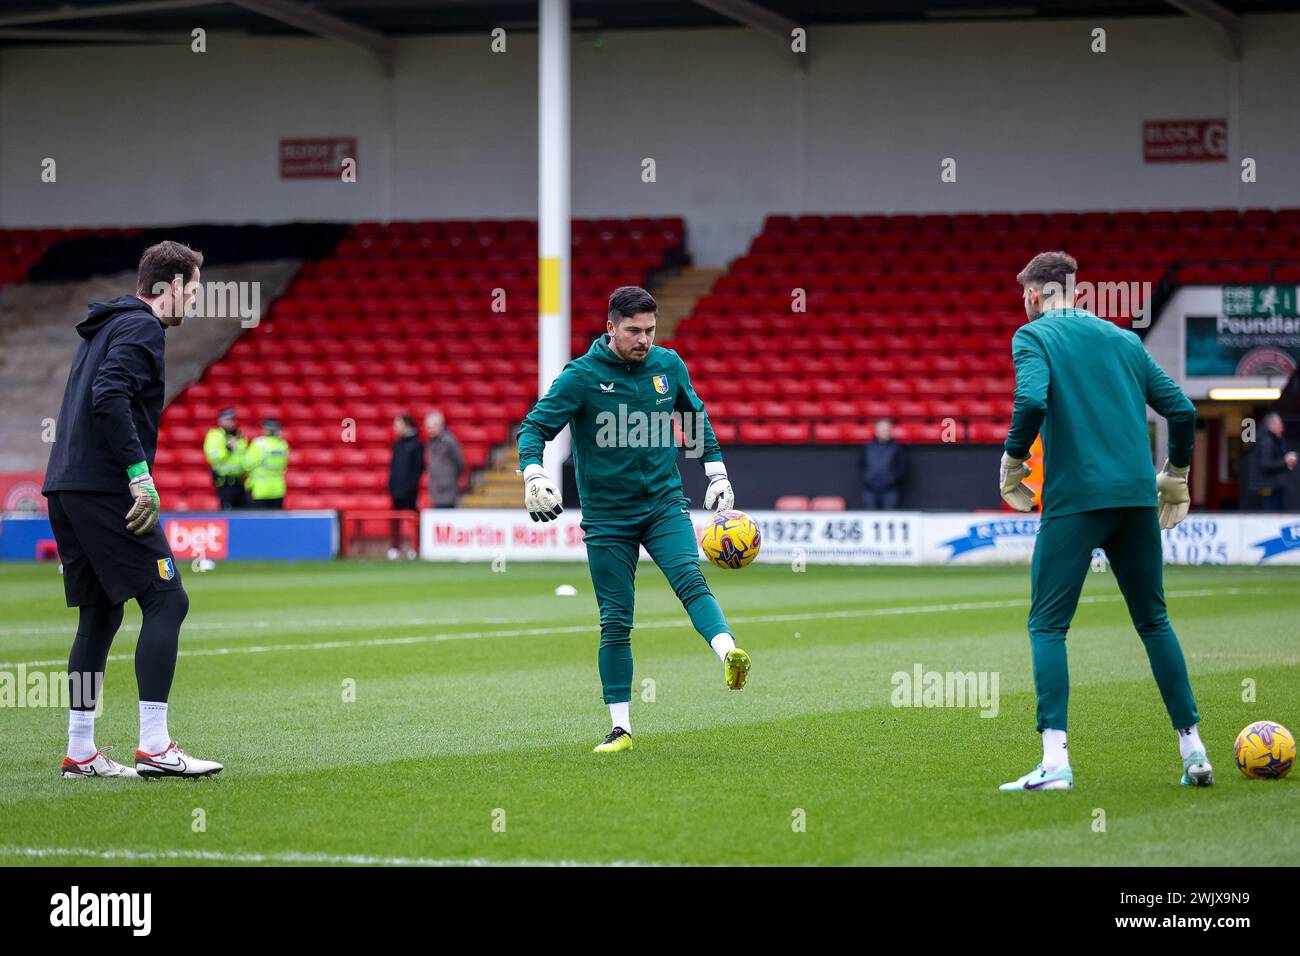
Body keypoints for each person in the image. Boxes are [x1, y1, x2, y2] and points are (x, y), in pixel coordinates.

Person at [997, 251, 1208, 792]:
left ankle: (1055, 762)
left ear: (1038, 294)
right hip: (1137, 499)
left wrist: (1013, 459)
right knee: (1154, 621)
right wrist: (1177, 471)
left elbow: (1031, 399)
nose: (1024, 306)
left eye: (1025, 296)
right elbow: (1182, 411)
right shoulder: (1124, 341)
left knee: (1048, 625)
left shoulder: (1035, 337)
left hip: (1075, 500)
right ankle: (1194, 750)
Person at [517, 285, 750, 754]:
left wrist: (717, 472)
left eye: (650, 330)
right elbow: (534, 427)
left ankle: (730, 653)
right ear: (610, 329)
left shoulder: (668, 365)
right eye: (634, 331)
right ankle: (620, 728)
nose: (644, 339)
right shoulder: (580, 377)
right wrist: (534, 472)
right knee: (616, 622)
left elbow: (695, 416)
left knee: (691, 579)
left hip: (664, 503)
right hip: (607, 518)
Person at [42, 240, 223, 779]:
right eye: (193, 289)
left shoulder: (108, 326)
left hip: (66, 486)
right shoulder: (141, 327)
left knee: (100, 613)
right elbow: (109, 395)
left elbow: (98, 392)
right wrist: (139, 476)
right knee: (168, 599)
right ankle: (155, 745)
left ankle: (80, 750)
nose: (196, 299)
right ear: (170, 287)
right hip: (104, 489)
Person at [387, 414, 423, 558]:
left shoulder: (416, 444)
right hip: (396, 490)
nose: (395, 428)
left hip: (410, 491)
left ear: (407, 425)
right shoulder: (397, 444)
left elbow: (418, 468)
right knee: (395, 520)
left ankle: (415, 547)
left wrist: (410, 486)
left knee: (413, 519)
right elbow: (393, 468)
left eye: (398, 424)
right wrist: (391, 485)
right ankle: (395, 547)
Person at [1244, 412, 1297, 510]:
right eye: (1280, 425)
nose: (1282, 428)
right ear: (1271, 425)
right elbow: (1265, 464)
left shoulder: (1270, 439)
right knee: (1271, 518)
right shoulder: (1266, 441)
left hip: (1268, 487)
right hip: (1268, 489)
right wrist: (1285, 461)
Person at [204, 408, 247, 509]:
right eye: (228, 420)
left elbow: (244, 457)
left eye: (233, 420)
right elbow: (213, 457)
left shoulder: (240, 436)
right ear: (220, 421)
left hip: (240, 482)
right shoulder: (215, 435)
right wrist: (227, 449)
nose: (231, 423)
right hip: (225, 483)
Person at [242, 418, 289, 509]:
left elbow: (247, 464)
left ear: (265, 429)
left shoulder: (259, 444)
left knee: (258, 522)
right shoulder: (283, 445)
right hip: (278, 490)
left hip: (259, 490)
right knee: (276, 522)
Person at [862, 418, 906, 510]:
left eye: (887, 430)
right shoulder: (868, 447)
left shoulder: (897, 448)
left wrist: (892, 480)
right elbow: (862, 464)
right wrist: (867, 478)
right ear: (876, 431)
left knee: (890, 516)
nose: (884, 432)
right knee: (869, 516)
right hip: (870, 488)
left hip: (890, 489)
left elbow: (902, 467)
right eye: (882, 430)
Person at [424, 409, 464, 508]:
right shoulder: (431, 442)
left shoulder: (449, 441)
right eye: (427, 427)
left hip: (448, 488)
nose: (428, 430)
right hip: (435, 488)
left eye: (431, 427)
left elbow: (459, 462)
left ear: (439, 425)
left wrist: (450, 478)